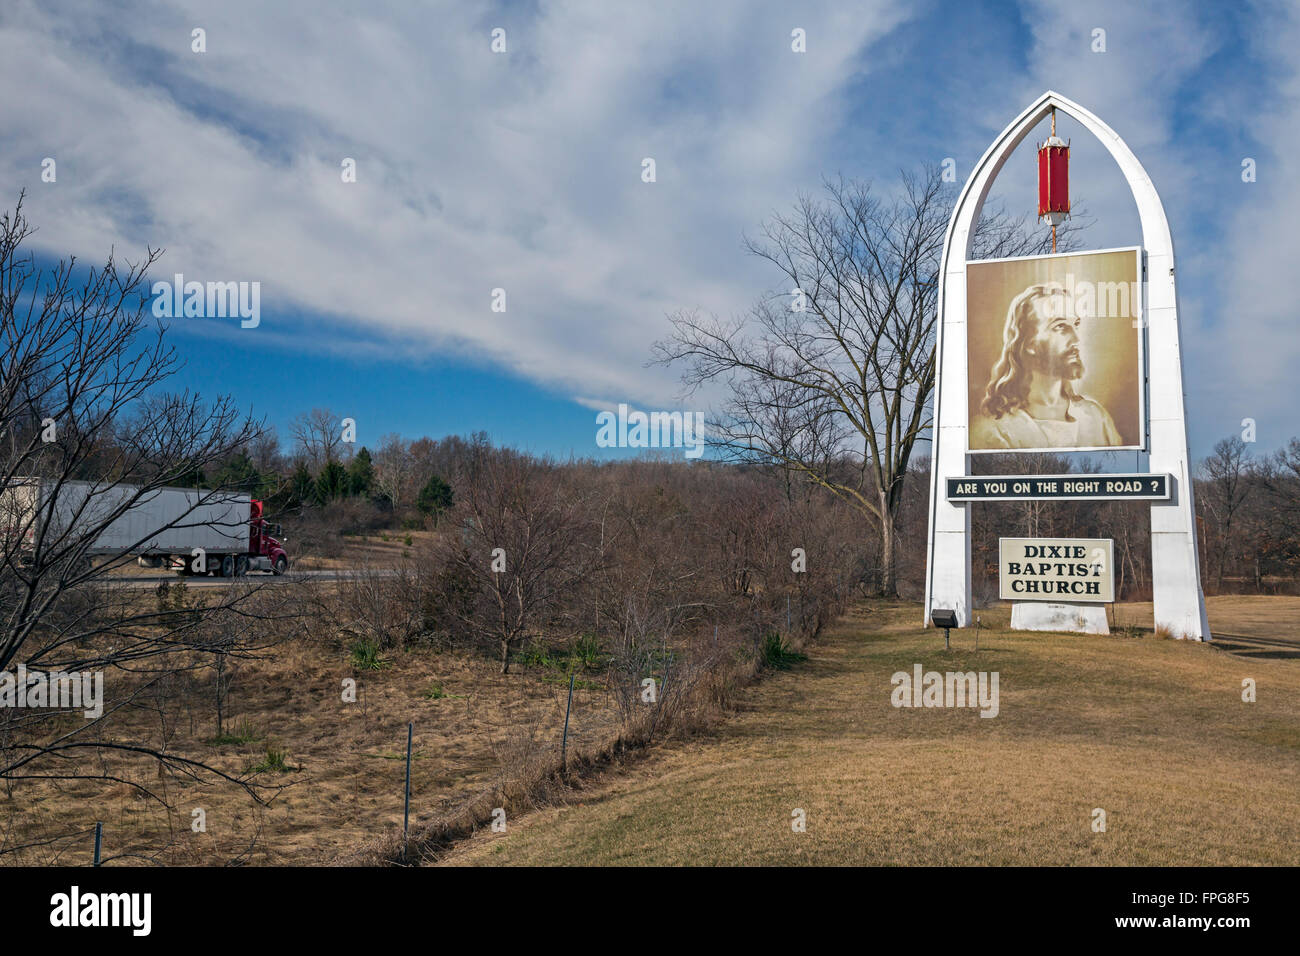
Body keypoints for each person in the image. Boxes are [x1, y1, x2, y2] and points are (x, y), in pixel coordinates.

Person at [971, 281, 1121, 449]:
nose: (1077, 340)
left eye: (1076, 325)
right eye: (1060, 327)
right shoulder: (994, 430)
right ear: (1028, 342)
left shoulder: (1095, 418)